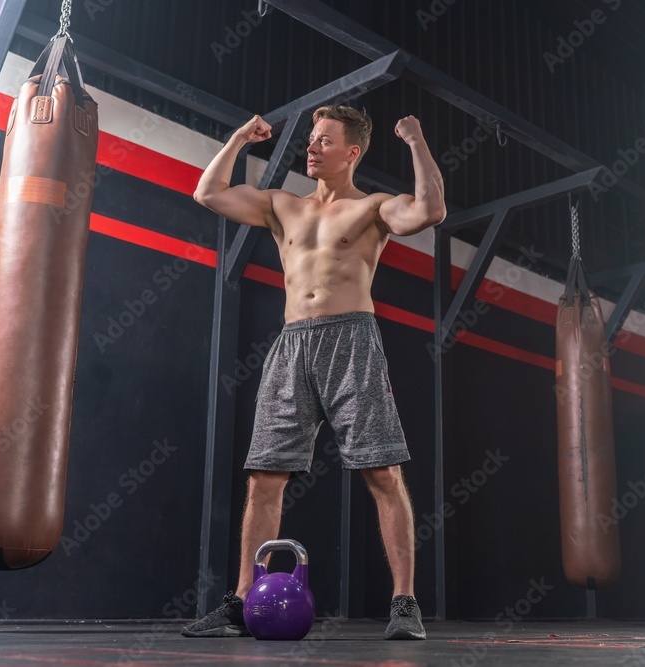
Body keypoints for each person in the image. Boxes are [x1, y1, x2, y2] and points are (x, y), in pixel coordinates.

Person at [182, 105, 445, 641]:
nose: (311, 147)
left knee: (382, 472)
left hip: (352, 340)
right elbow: (207, 193)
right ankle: (238, 604)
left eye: (325, 141)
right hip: (291, 344)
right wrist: (238, 139)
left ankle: (404, 603)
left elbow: (429, 212)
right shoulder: (282, 204)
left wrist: (416, 140)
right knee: (264, 477)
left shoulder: (373, 207)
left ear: (352, 152)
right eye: (311, 138)